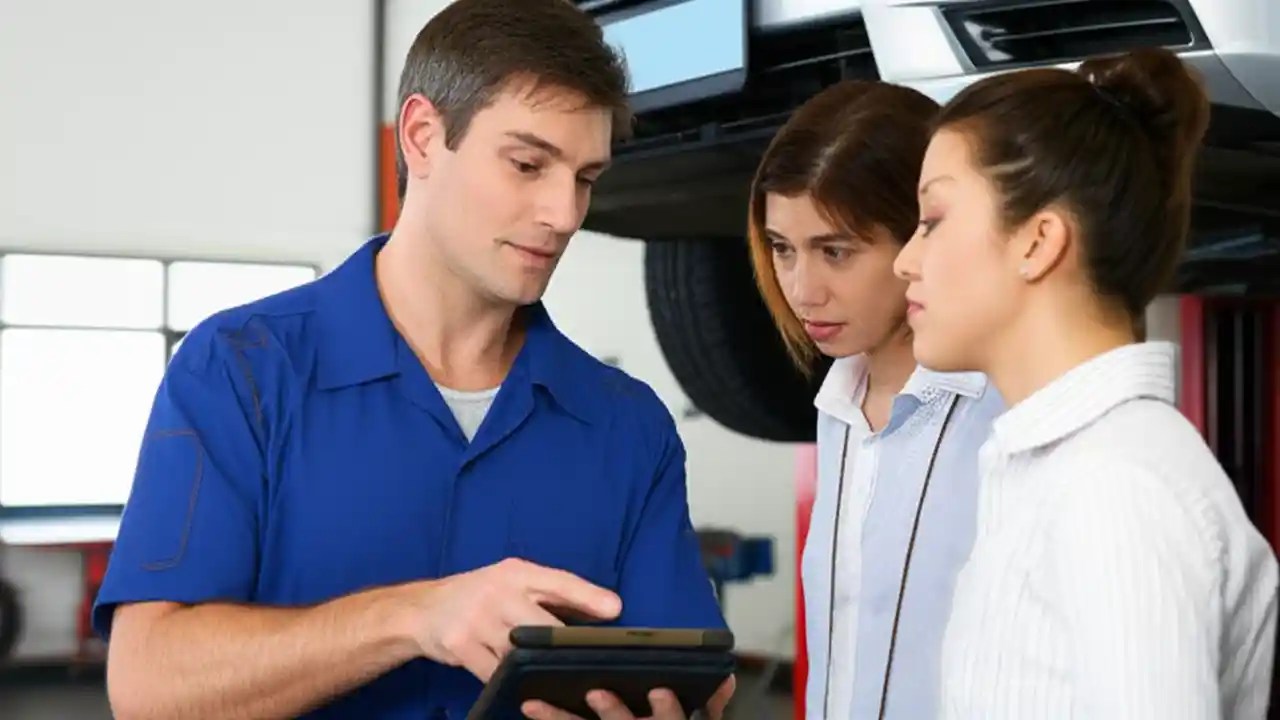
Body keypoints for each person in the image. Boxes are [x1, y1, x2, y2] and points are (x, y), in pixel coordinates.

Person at [92, 1, 734, 718]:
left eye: (585, 177)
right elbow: (150, 688)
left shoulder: (629, 427)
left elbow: (694, 683)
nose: (563, 212)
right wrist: (414, 617)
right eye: (528, 164)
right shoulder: (240, 371)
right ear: (424, 136)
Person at [893, 47, 1280, 718]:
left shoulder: (1114, 487)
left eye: (932, 220)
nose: (905, 260)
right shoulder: (1067, 471)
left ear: (1038, 242)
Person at [746, 80, 1005, 719]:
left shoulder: (1004, 415)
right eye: (783, 249)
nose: (804, 290)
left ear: (921, 240)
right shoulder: (837, 408)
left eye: (835, 252)